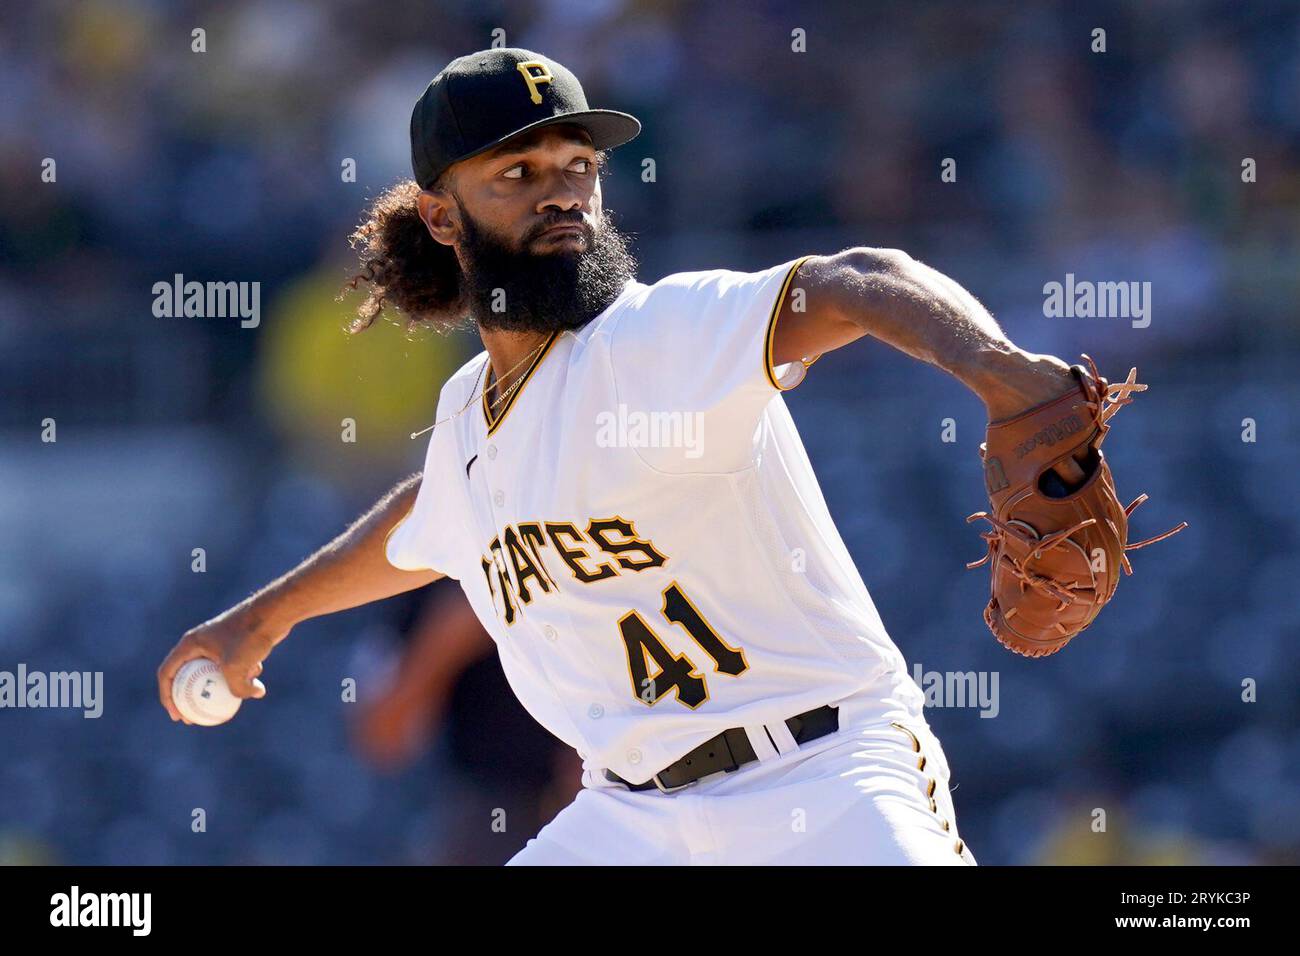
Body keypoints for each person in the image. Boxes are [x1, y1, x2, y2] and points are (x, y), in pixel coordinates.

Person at [159, 47, 1092, 865]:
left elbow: (858, 282)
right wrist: (262, 619)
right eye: (516, 172)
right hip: (629, 817)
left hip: (824, 774)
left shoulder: (659, 336)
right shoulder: (468, 420)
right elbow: (429, 516)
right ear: (443, 220)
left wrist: (1001, 374)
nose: (560, 190)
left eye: (577, 165)